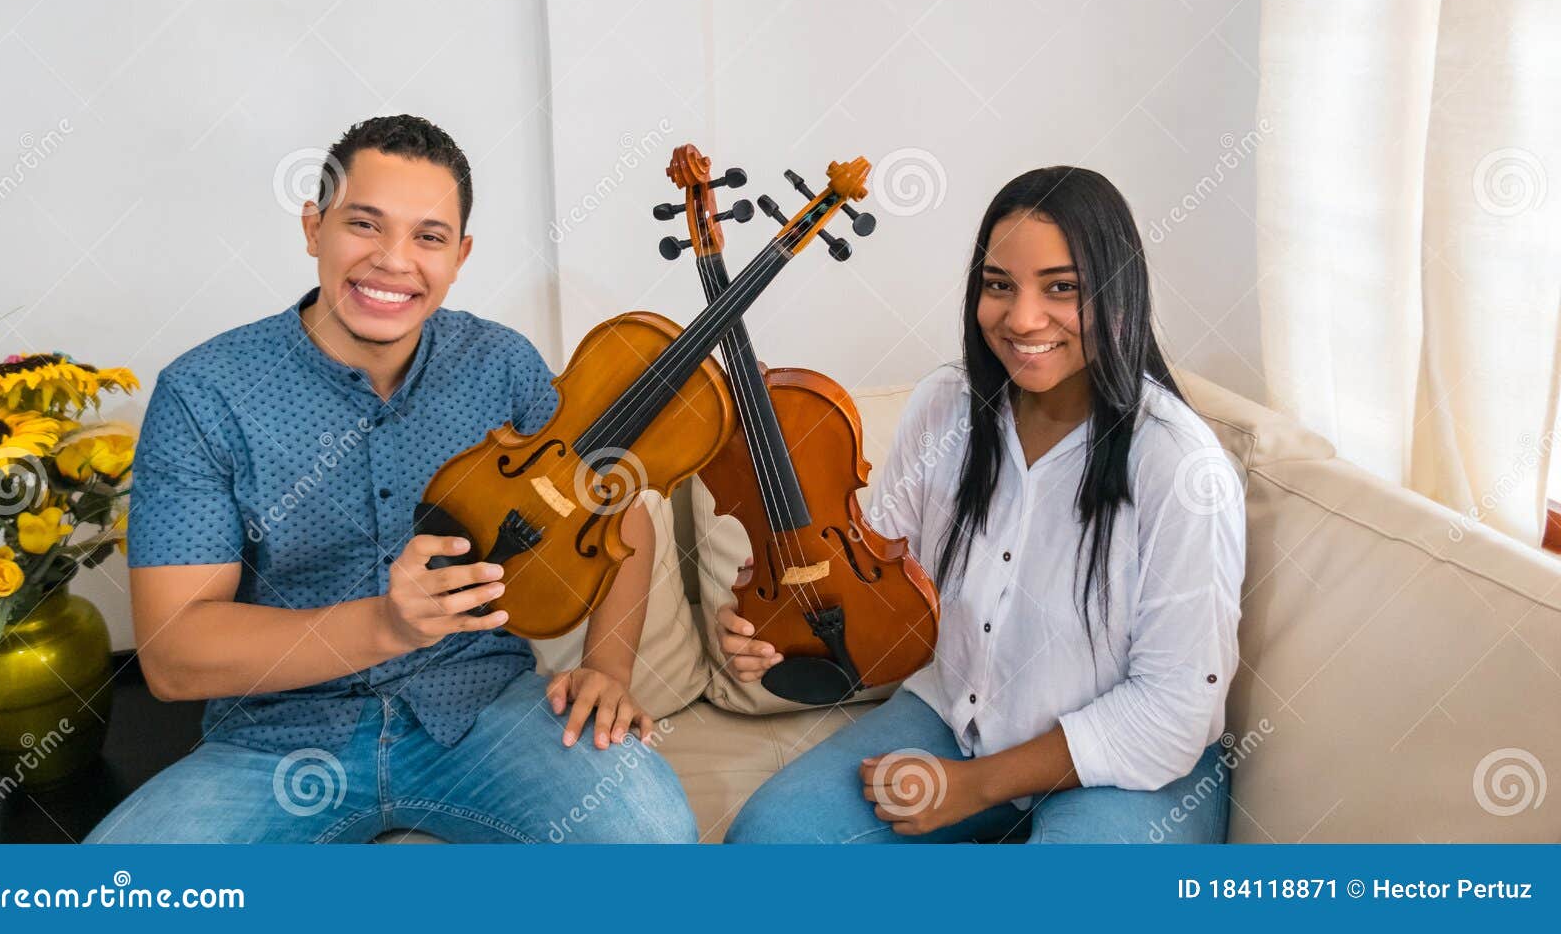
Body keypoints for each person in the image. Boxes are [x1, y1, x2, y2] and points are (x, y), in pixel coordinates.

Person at [85, 115, 696, 843]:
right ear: (313, 228)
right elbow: (173, 657)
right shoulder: (204, 392)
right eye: (364, 224)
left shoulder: (502, 364)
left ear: (460, 255)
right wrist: (387, 625)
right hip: (274, 737)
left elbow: (620, 516)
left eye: (428, 236)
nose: (393, 261)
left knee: (653, 839)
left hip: (482, 709)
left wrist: (608, 669)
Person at [719, 166, 1246, 844]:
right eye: (999, 285)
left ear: (1117, 291)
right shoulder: (945, 405)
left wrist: (972, 787)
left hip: (1127, 762)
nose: (1022, 318)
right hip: (955, 718)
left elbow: (1174, 709)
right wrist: (776, 632)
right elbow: (879, 592)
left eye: (1061, 287)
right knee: (771, 839)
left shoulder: (1180, 465)